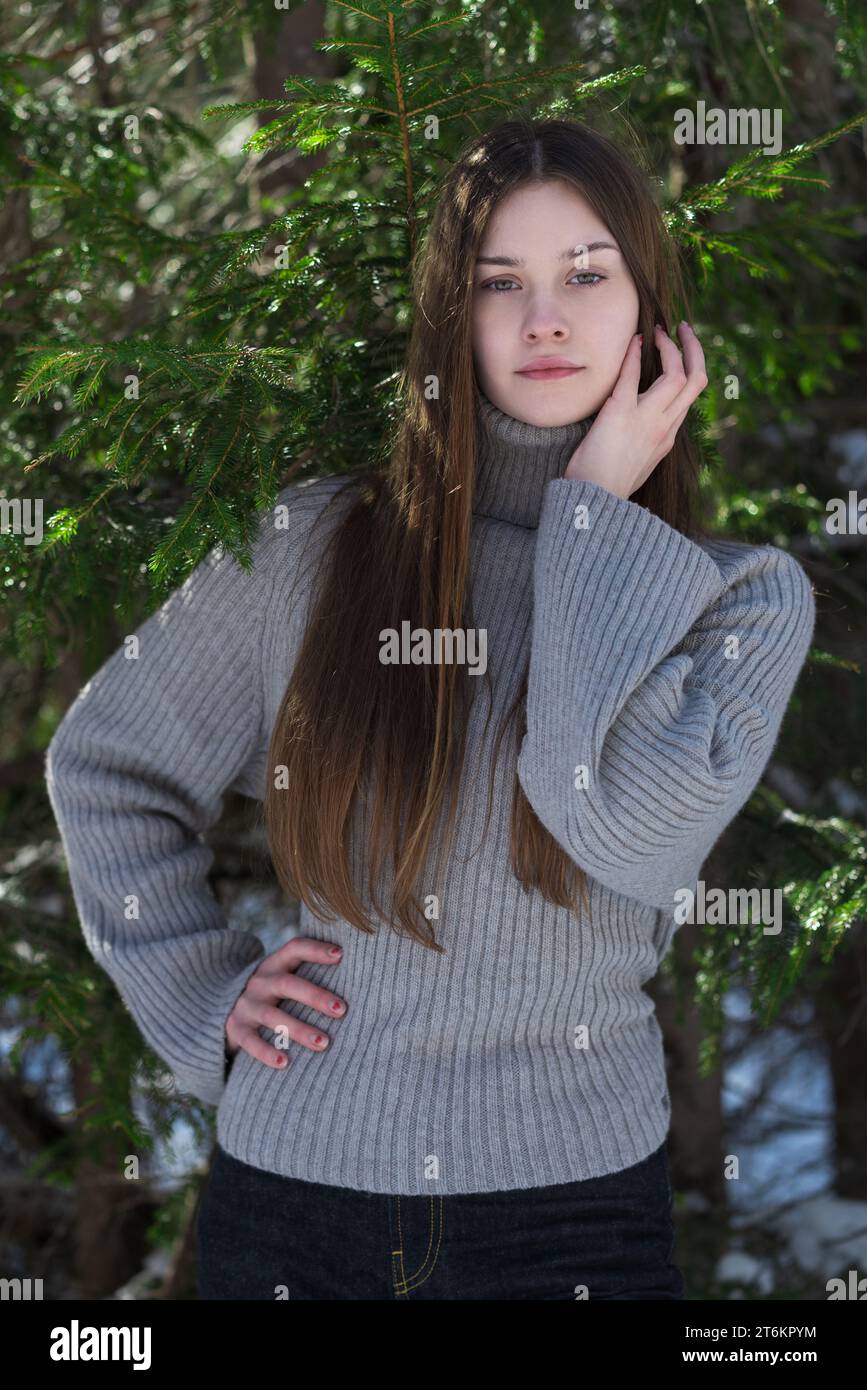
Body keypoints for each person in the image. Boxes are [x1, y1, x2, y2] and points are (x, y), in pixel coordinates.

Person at [45, 116, 816, 1300]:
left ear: (651, 310)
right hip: (296, 1203)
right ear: (451, 315)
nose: (545, 318)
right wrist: (200, 995)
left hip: (573, 1217)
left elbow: (617, 824)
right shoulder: (320, 548)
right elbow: (108, 765)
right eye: (499, 283)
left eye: (587, 275)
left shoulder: (737, 600)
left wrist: (593, 519)